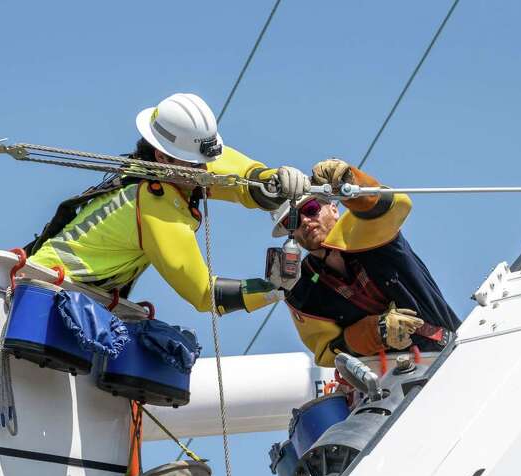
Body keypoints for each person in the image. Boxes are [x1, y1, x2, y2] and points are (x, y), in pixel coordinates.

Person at [27, 93, 309, 316]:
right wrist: (273, 290)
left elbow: (241, 178)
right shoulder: (154, 203)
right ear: (162, 158)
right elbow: (205, 294)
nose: (204, 171)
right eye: (195, 164)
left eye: (205, 162)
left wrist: (274, 179)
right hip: (42, 292)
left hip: (62, 293)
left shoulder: (167, 170)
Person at [278, 159, 460, 367]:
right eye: (292, 221)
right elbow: (328, 352)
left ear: (334, 209)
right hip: (392, 380)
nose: (304, 221)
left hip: (454, 353)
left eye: (311, 209)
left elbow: (392, 205)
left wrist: (350, 181)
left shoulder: (367, 229)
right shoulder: (301, 289)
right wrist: (374, 332)